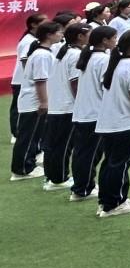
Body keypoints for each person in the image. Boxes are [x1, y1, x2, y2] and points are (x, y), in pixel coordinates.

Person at [94, 29, 130, 217]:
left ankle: (105, 201)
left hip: (109, 122)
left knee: (110, 163)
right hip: (125, 123)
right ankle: (114, 203)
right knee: (120, 163)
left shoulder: (116, 64)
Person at [69, 25, 116, 201]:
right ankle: (83, 189)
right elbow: (106, 87)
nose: (116, 41)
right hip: (94, 113)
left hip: (83, 111)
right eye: (114, 38)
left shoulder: (88, 56)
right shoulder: (103, 59)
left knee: (82, 152)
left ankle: (81, 186)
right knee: (90, 154)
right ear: (105, 41)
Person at [10, 21, 62, 181]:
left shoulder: (43, 52)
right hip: (33, 101)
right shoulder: (42, 55)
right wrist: (44, 102)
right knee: (28, 136)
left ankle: (28, 163)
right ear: (49, 35)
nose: (61, 35)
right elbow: (40, 80)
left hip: (34, 100)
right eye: (58, 32)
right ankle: (22, 170)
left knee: (33, 135)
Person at [42, 23, 89, 191]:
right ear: (80, 36)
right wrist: (81, 102)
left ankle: (52, 176)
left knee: (54, 144)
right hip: (67, 106)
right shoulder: (75, 54)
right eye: (89, 34)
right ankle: (59, 178)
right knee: (64, 145)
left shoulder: (65, 51)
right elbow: (75, 82)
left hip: (58, 104)